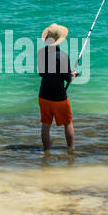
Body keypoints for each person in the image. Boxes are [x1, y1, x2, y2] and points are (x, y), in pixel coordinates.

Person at [38, 23, 77, 151]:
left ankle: (46, 152)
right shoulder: (64, 56)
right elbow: (68, 78)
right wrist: (73, 75)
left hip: (43, 95)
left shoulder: (41, 53)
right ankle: (71, 151)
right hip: (59, 97)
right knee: (68, 124)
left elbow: (41, 73)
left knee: (45, 125)